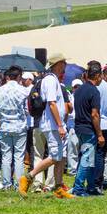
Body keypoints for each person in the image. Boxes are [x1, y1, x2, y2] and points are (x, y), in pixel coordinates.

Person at [20, 53, 72, 197]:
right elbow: (52, 103)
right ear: (57, 65)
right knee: (55, 156)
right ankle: (28, 176)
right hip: (52, 124)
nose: (65, 66)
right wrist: (60, 125)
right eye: (63, 63)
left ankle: (58, 187)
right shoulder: (49, 80)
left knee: (61, 156)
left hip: (54, 124)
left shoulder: (53, 79)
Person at [0, 66, 30, 192]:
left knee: (6, 156)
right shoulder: (23, 91)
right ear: (19, 76)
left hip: (4, 125)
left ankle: (6, 183)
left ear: (8, 76)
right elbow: (27, 110)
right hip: (19, 126)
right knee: (19, 157)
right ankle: (19, 184)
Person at [70, 62, 104, 196]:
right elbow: (94, 114)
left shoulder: (79, 90)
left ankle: (90, 187)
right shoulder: (94, 91)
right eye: (100, 76)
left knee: (90, 159)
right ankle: (78, 188)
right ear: (96, 75)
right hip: (89, 129)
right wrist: (100, 134)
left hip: (79, 127)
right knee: (86, 160)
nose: (101, 78)